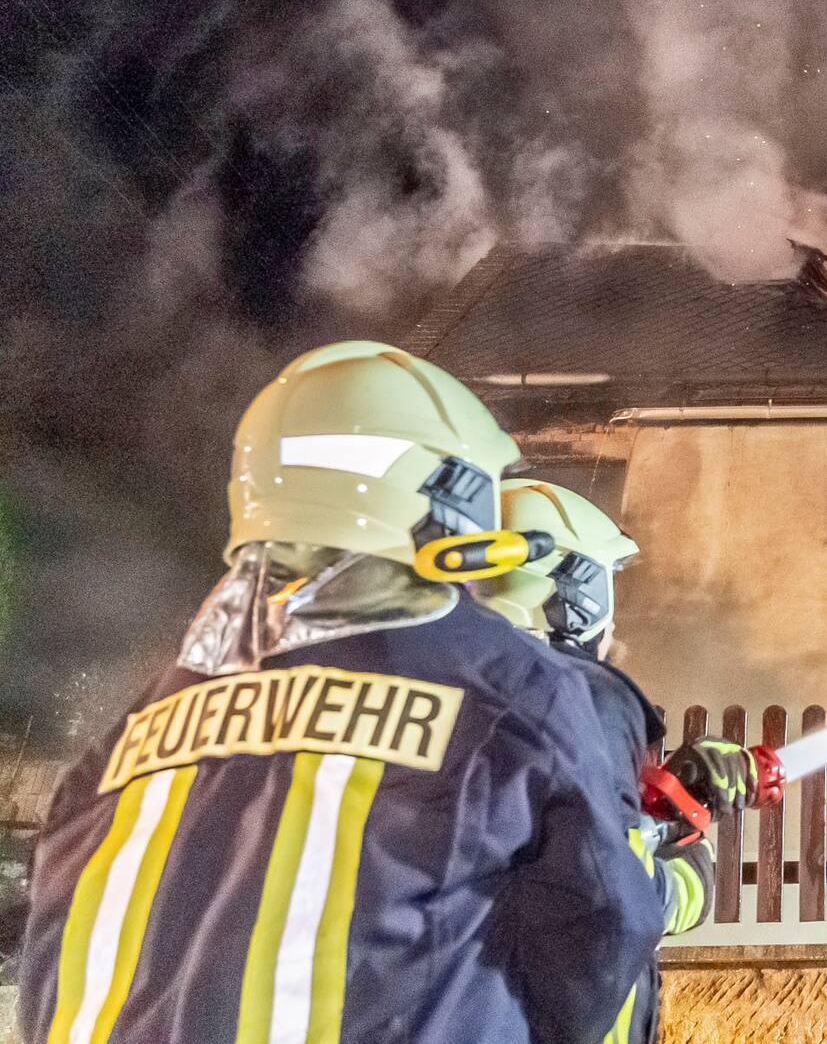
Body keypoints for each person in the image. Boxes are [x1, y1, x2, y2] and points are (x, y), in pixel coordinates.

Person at [17, 341, 666, 1044]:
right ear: (444, 500)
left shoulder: (137, 724)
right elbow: (600, 936)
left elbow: (50, 952)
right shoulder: (511, 685)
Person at [485, 479, 763, 1044]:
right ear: (575, 593)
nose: (615, 624)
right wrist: (691, 855)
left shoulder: (463, 691)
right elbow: (621, 901)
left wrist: (661, 807)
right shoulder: (580, 703)